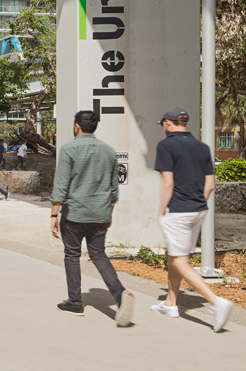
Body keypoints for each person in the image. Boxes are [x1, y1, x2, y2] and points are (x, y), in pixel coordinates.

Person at [151, 107, 233, 331]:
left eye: (163, 124)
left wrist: (161, 210)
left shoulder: (166, 145)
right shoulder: (202, 147)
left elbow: (168, 182)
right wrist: (198, 203)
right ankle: (170, 303)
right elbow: (210, 185)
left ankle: (217, 302)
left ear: (168, 123)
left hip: (178, 210)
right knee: (175, 254)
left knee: (179, 260)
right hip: (198, 209)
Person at [50, 110, 134, 326]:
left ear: (77, 126)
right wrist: (109, 213)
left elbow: (61, 184)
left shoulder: (69, 149)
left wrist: (54, 213)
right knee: (98, 254)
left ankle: (75, 302)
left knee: (72, 255)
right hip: (100, 213)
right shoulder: (108, 151)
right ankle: (119, 294)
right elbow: (113, 188)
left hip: (76, 213)